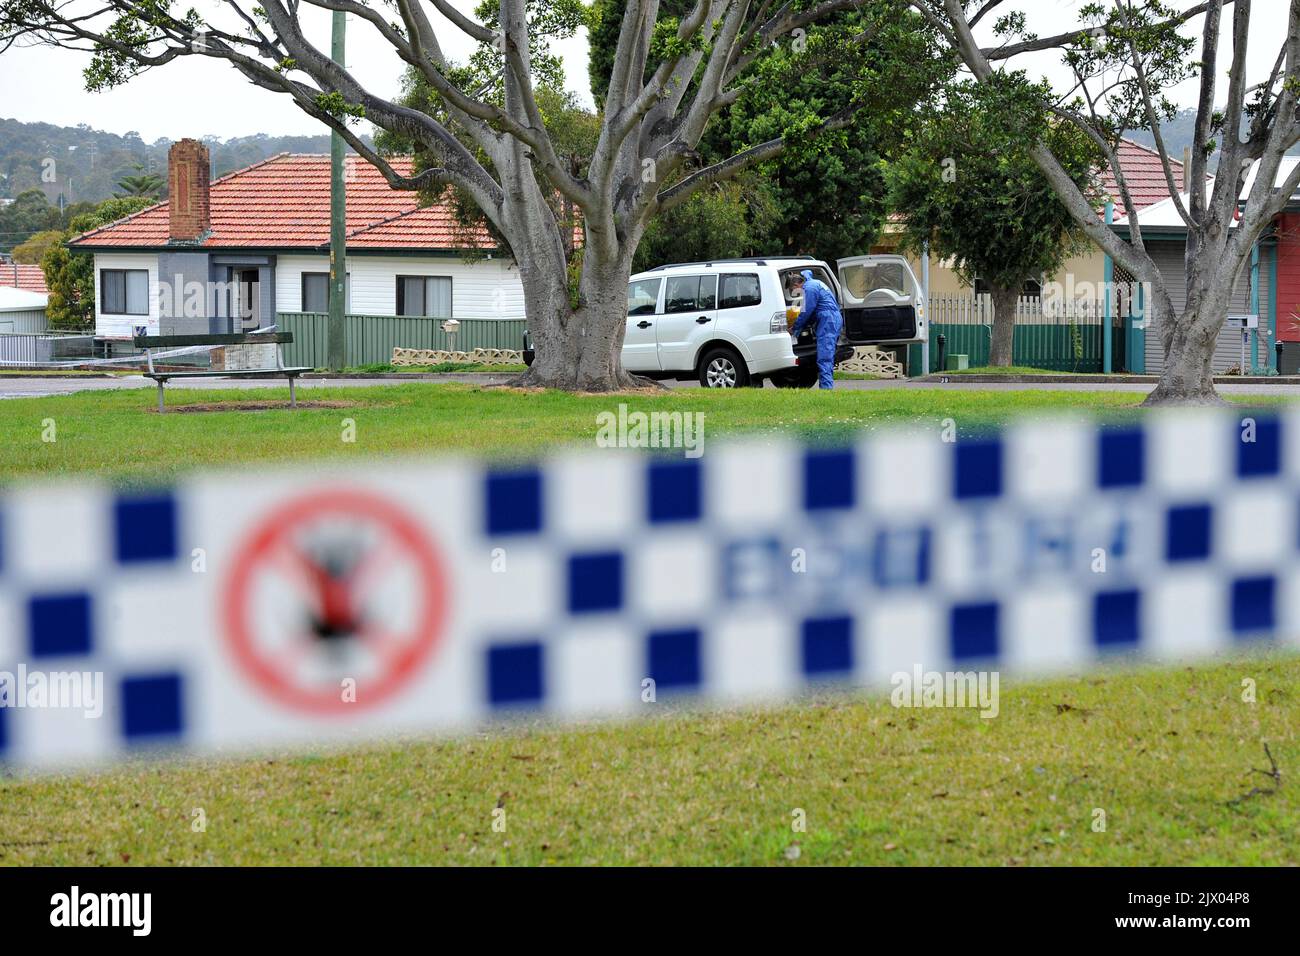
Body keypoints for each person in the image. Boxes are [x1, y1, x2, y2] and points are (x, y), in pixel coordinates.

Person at [789, 269, 843, 389]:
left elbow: (807, 311)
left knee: (824, 357)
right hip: (833, 318)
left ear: (797, 285)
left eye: (795, 291)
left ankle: (826, 390)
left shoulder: (809, 288)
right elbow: (812, 313)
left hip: (828, 321)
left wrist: (795, 328)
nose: (798, 293)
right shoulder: (815, 283)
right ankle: (826, 386)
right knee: (827, 355)